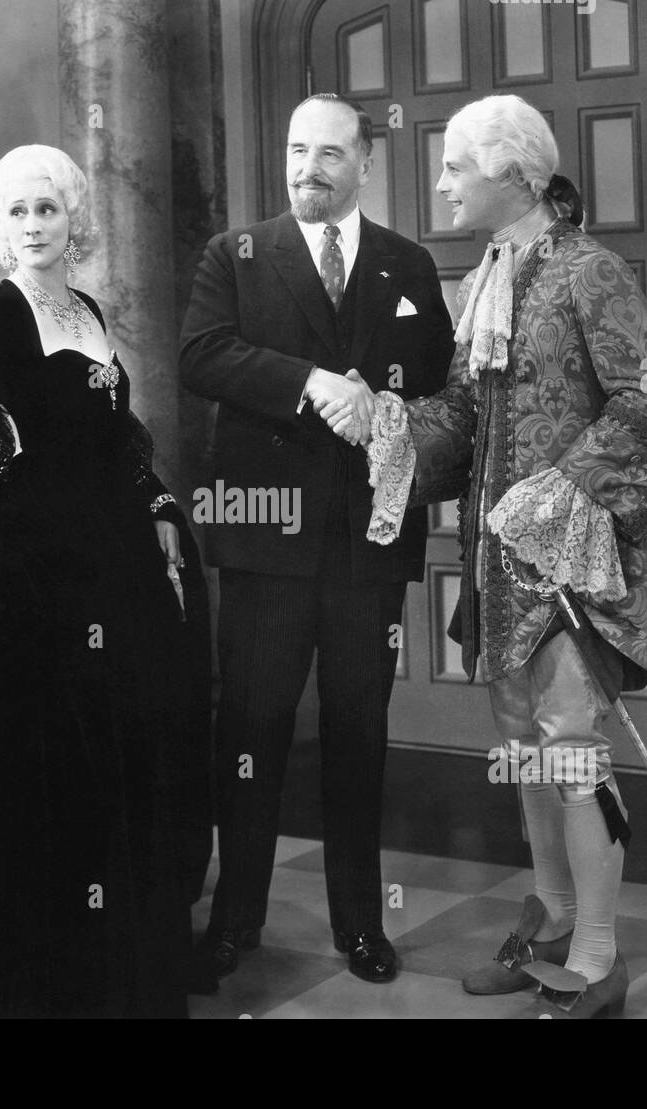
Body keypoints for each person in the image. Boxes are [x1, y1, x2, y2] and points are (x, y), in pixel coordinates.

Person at [323, 94, 647, 1017]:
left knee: (571, 753)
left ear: (512, 174)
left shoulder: (589, 273)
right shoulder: (487, 276)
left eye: (456, 165)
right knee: (528, 754)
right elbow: (464, 418)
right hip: (499, 570)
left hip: (571, 564)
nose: (443, 181)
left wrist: (560, 486)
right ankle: (556, 925)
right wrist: (390, 422)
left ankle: (602, 957)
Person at [0, 144, 211, 1018]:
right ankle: (44, 976)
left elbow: (114, 437)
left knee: (125, 739)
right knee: (43, 764)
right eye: (17, 212)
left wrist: (154, 504)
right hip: (38, 575)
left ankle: (119, 963)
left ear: (77, 220)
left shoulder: (88, 308)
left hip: (110, 559)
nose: (33, 226)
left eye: (49, 209)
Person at [180, 93, 455, 983]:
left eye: (331, 153)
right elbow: (203, 355)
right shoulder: (238, 253)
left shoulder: (408, 265)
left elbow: (441, 383)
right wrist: (311, 384)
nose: (310, 167)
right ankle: (235, 921)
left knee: (357, 734)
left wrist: (384, 402)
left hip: (368, 544)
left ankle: (360, 925)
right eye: (298, 149)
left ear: (365, 162)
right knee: (252, 730)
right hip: (266, 542)